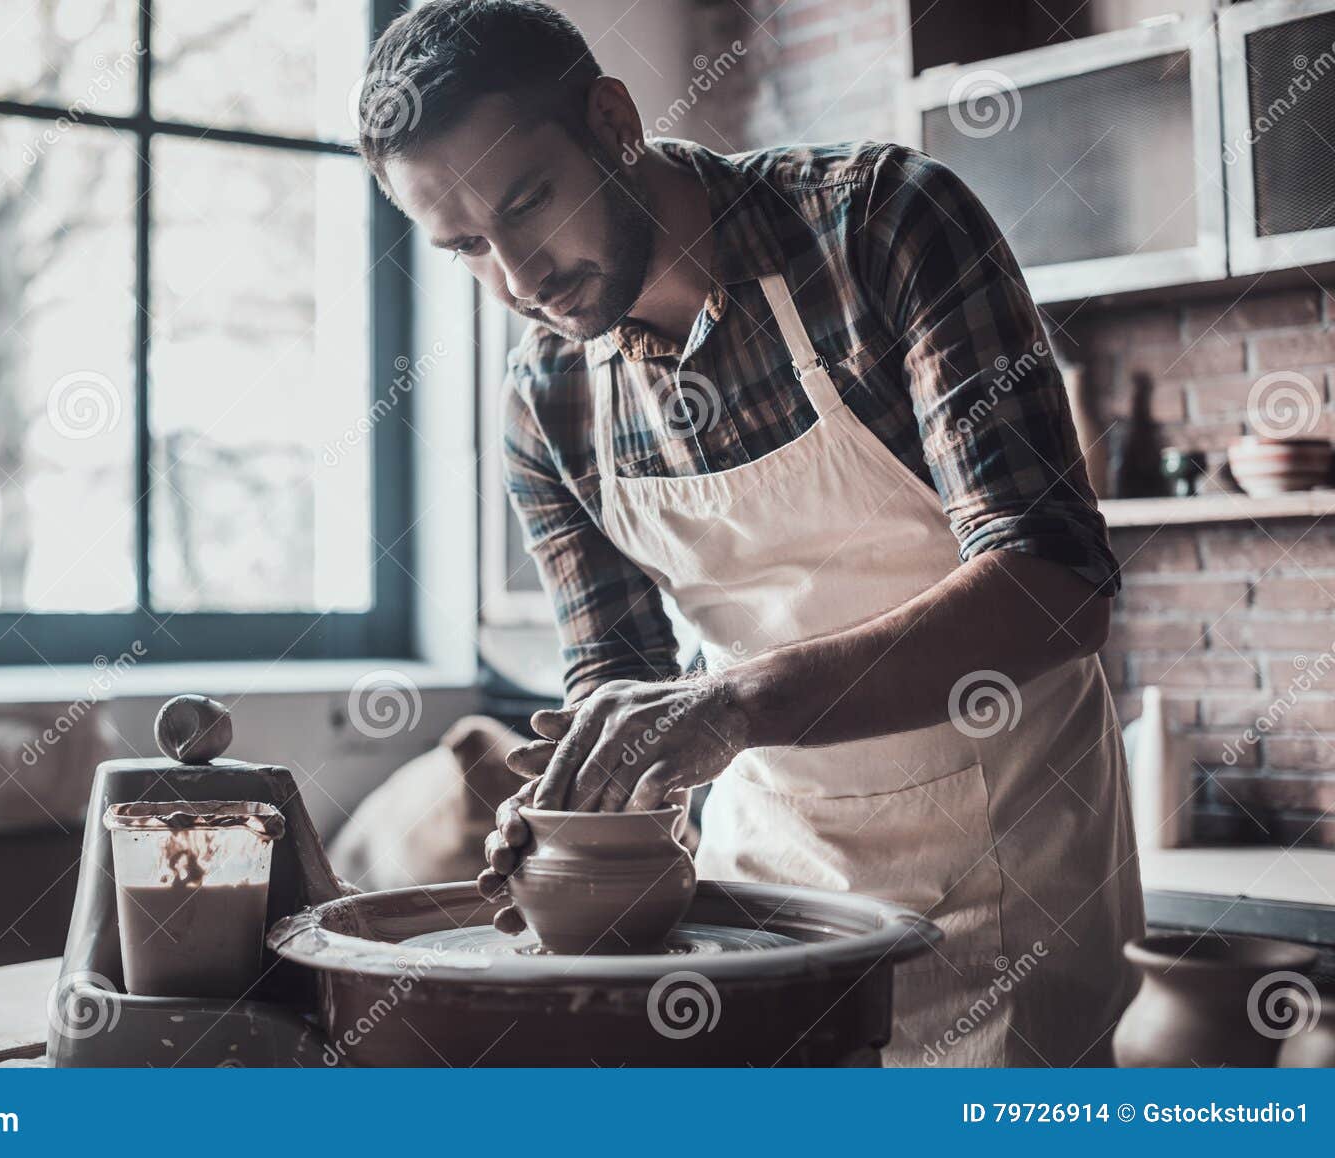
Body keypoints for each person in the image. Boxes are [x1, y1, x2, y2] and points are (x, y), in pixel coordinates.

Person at [355, 0, 1143, 1066]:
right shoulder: (547, 397)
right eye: (464, 251)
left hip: (1006, 865)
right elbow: (617, 685)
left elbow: (1056, 582)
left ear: (612, 120)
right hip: (759, 891)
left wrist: (733, 705)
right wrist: (569, 813)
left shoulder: (880, 228)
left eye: (529, 201)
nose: (520, 280)